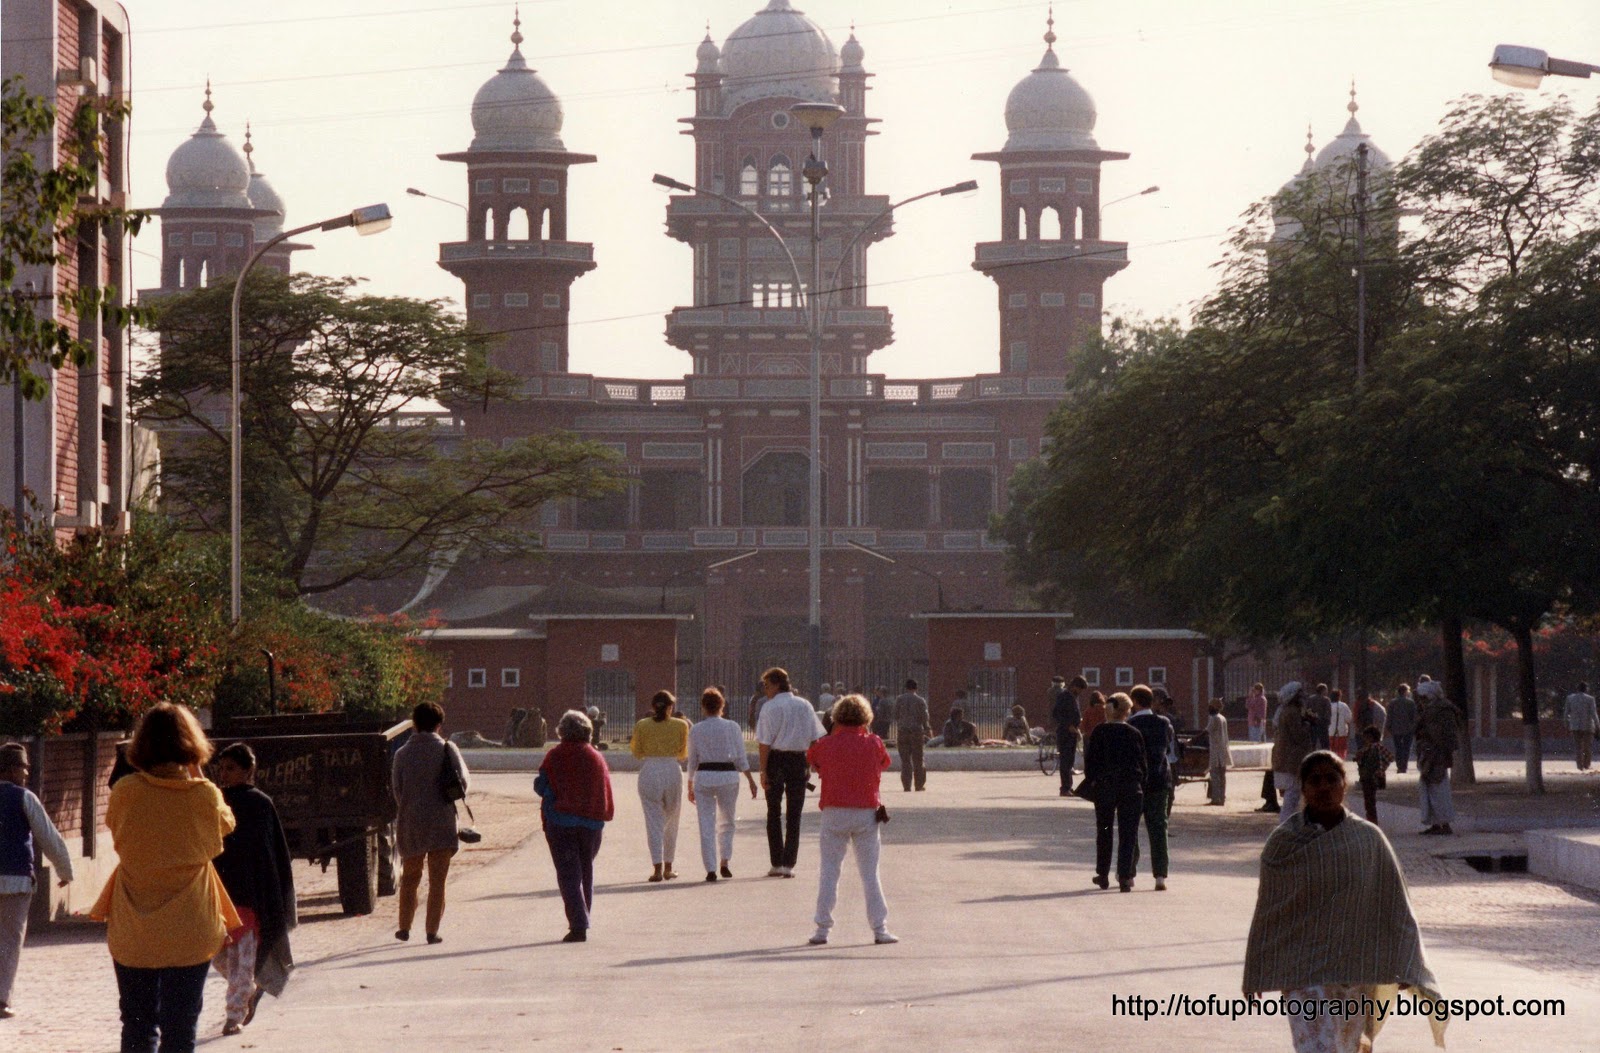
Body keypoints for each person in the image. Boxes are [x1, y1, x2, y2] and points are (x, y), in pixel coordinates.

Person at [1243, 751, 1447, 1053]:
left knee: (1347, 1048)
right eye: (1315, 780)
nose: (1324, 787)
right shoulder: (1283, 844)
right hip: (1303, 976)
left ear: (1344, 785)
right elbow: (1269, 913)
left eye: (1331, 779)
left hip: (1354, 971)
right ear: (1303, 788)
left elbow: (1396, 905)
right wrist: (1256, 971)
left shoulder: (1368, 840)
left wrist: (1407, 964)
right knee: (1319, 1048)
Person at [91, 703, 241, 1053]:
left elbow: (115, 829)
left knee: (137, 1025)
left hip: (134, 927)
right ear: (192, 745)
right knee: (181, 1026)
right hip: (191, 927)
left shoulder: (126, 791)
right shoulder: (204, 795)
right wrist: (199, 773)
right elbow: (227, 824)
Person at [208, 744, 296, 1036]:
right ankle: (251, 991)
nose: (224, 774)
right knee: (218, 956)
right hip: (220, 893)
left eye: (230, 768)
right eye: (221, 768)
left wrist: (270, 895)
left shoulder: (260, 804)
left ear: (248, 770)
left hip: (250, 895)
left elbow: (272, 855)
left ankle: (234, 1016)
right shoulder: (216, 801)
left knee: (241, 959)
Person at [805, 694, 896, 946]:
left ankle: (822, 928)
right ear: (866, 718)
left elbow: (813, 761)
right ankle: (880, 928)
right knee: (870, 874)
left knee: (829, 872)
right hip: (866, 811)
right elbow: (884, 763)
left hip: (834, 811)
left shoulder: (825, 744)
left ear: (836, 718)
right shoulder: (874, 742)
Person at [0, 743, 73, 1022]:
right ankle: (2, 999)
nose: (27, 772)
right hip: (16, 882)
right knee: (9, 941)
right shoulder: (24, 798)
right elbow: (49, 837)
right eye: (23, 767)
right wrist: (65, 871)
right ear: (9, 769)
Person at [391, 701, 469, 944]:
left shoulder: (402, 754)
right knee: (438, 880)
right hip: (441, 823)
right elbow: (462, 784)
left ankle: (404, 927)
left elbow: (397, 790)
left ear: (414, 724)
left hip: (411, 822)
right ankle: (431, 931)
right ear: (439, 724)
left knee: (410, 877)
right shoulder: (448, 749)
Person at [536, 710, 615, 942]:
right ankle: (583, 916)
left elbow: (542, 785)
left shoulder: (555, 755)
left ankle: (578, 923)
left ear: (562, 731)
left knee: (568, 874)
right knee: (585, 872)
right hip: (591, 823)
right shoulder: (596, 756)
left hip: (561, 822)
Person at [754, 667, 825, 877]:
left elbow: (764, 743)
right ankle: (789, 863)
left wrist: (763, 770)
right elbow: (815, 738)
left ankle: (776, 861)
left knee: (773, 811)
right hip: (798, 759)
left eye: (767, 685)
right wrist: (809, 762)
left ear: (776, 685)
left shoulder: (769, 707)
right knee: (795, 813)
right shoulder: (804, 705)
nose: (765, 690)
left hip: (776, 759)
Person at [685, 688, 757, 882]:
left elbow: (692, 760)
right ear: (722, 706)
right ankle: (725, 860)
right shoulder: (733, 727)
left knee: (706, 824)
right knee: (727, 821)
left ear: (703, 707)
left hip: (705, 775)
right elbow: (741, 757)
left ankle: (710, 868)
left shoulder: (696, 729)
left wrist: (690, 783)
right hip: (728, 775)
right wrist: (750, 779)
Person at [1083, 693, 1146, 892]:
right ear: (1127, 711)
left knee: (1104, 830)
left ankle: (1102, 874)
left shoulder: (1099, 732)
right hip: (1129, 787)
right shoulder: (1134, 733)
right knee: (1128, 832)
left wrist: (1094, 781)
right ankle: (1125, 876)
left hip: (1105, 787)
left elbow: (1090, 764)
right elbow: (1142, 765)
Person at [630, 690, 689, 883]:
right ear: (671, 707)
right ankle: (669, 866)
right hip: (672, 769)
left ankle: (656, 868)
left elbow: (637, 752)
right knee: (672, 820)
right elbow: (683, 754)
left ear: (653, 706)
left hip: (650, 769)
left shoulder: (642, 725)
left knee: (653, 821)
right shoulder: (681, 725)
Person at [1127, 685, 1173, 891]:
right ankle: (1160, 875)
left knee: (1132, 828)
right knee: (1158, 828)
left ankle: (1129, 873)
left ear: (1135, 701)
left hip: (1136, 782)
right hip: (1160, 780)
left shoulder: (1130, 724)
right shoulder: (1164, 723)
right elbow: (1169, 747)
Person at [1413, 681, 1458, 836]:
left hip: (1436, 756)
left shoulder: (1440, 710)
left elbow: (1442, 735)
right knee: (1430, 790)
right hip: (1429, 754)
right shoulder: (1432, 709)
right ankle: (1435, 824)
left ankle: (1444, 824)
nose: (1421, 701)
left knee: (1439, 790)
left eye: (1423, 698)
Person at [1270, 683, 1315, 824]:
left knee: (1293, 796)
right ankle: (1286, 824)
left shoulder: (1285, 711)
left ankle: (1290, 823)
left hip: (1285, 757)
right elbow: (1298, 735)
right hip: (1291, 759)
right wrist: (1308, 724)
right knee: (1292, 795)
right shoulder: (1292, 712)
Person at [892, 678, 931, 793]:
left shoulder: (899, 699)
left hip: (903, 731)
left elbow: (895, 715)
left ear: (906, 687)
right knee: (918, 759)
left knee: (905, 760)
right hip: (916, 732)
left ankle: (906, 786)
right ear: (916, 688)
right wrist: (927, 729)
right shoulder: (920, 700)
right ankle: (919, 785)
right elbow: (925, 717)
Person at [1051, 676, 1084, 795]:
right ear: (1074, 686)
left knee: (1070, 761)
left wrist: (1077, 727)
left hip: (1073, 732)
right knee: (1065, 760)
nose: (1080, 692)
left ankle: (1069, 786)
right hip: (1065, 732)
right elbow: (1056, 714)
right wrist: (1068, 725)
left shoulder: (1074, 697)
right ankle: (1064, 788)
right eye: (1080, 689)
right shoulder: (1063, 696)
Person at [1354, 727, 1394, 826]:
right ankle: (1372, 820)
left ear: (1371, 737)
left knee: (1369, 801)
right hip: (1370, 777)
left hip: (1369, 778)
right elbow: (1389, 758)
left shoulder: (1373, 747)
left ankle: (1372, 821)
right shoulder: (1373, 747)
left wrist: (1380, 768)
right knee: (1370, 800)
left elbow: (1389, 757)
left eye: (1366, 737)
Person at [1563, 682, 1597, 771]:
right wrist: (1597, 725)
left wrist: (1566, 723)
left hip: (1574, 726)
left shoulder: (1570, 698)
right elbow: (1593, 713)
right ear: (1586, 689)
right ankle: (1587, 764)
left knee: (1578, 747)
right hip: (1587, 726)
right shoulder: (1590, 699)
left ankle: (1579, 765)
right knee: (1587, 747)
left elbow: (1566, 712)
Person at [1387, 683, 1417, 774]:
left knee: (1398, 748)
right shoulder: (1411, 703)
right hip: (1408, 729)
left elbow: (1389, 716)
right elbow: (1414, 717)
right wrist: (1414, 727)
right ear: (1405, 692)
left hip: (1396, 729)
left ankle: (1399, 766)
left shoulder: (1392, 703)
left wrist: (1389, 727)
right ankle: (1404, 766)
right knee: (1406, 748)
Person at [1205, 701, 1231, 806]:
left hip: (1216, 751)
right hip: (1223, 750)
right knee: (1222, 776)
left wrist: (1193, 739)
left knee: (1215, 776)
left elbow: (1207, 731)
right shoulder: (1222, 718)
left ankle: (1216, 799)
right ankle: (1222, 797)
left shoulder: (1214, 718)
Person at [1305, 683, 1332, 753]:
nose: (1327, 691)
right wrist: (1327, 722)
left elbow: (1307, 711)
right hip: (1323, 724)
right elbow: (1328, 713)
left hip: (1312, 724)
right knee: (1324, 744)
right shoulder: (1326, 700)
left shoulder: (1310, 699)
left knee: (1312, 743)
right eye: (1326, 690)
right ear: (1323, 690)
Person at [1327, 689, 1352, 759]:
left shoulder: (1328, 705)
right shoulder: (1344, 706)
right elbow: (1349, 719)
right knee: (1341, 751)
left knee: (1331, 750)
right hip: (1342, 732)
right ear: (1339, 696)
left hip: (1330, 732)